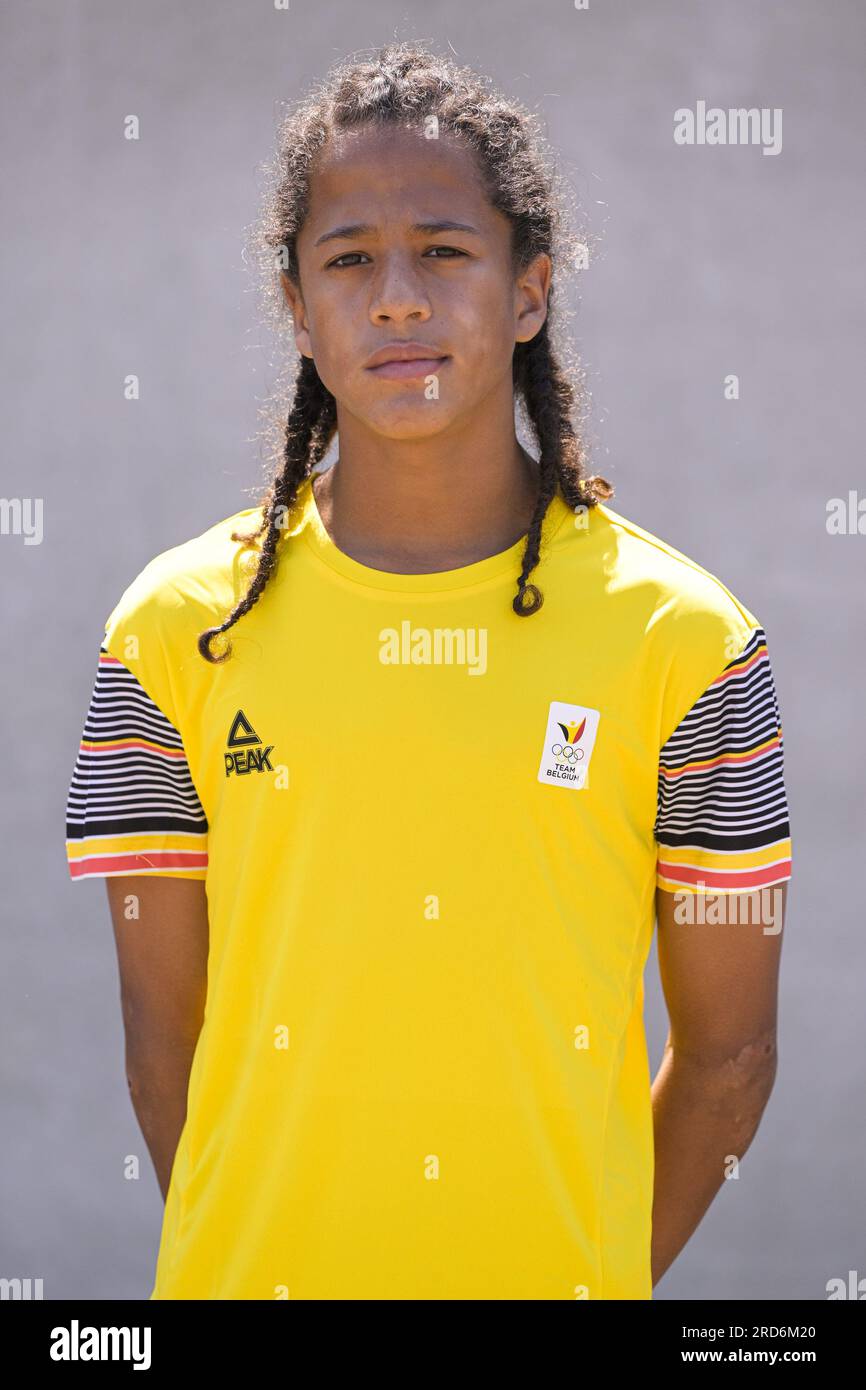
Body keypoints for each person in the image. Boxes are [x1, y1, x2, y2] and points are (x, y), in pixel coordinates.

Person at [64, 41, 792, 1300]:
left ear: (528, 291)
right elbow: (162, 1040)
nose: (395, 296)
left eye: (445, 251)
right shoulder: (173, 630)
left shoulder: (688, 641)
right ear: (297, 306)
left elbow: (729, 1056)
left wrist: (582, 1275)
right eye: (347, 259)